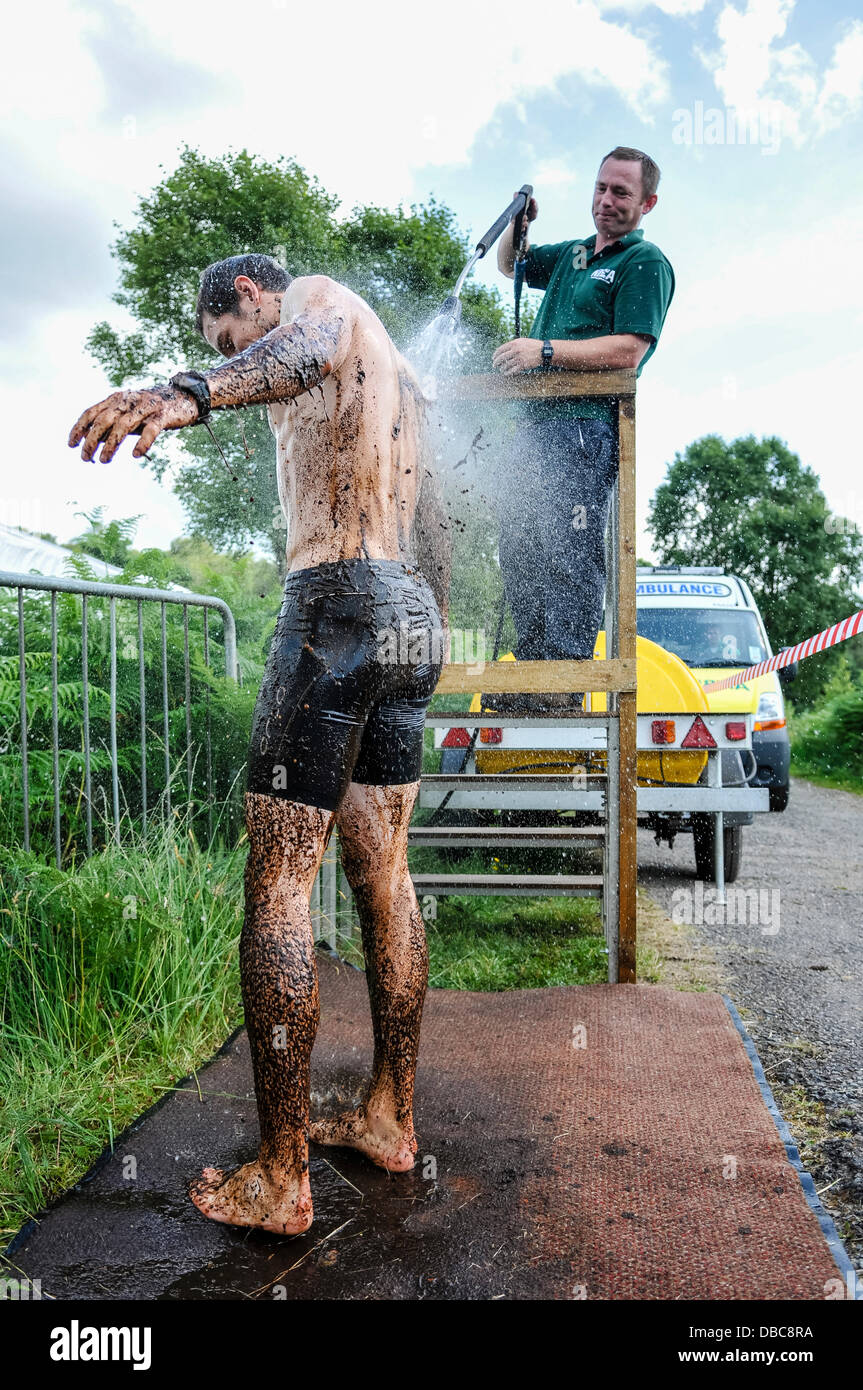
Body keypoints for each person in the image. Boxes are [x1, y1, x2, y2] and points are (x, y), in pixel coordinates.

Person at [68, 255, 451, 1235]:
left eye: (223, 335)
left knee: (281, 883)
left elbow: (303, 344)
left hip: (335, 603)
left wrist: (188, 390)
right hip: (409, 616)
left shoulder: (320, 303)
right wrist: (423, 636)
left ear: (246, 295)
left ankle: (281, 1178)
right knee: (388, 874)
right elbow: (433, 519)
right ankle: (389, 1118)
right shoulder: (403, 378)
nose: (232, 353)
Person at [489, 147, 675, 711]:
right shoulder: (572, 255)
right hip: (532, 428)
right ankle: (533, 678)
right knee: (520, 543)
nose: (607, 201)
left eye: (621, 192)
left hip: (585, 429)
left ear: (647, 202)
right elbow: (509, 265)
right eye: (601, 188)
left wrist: (544, 350)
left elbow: (629, 348)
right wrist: (518, 222)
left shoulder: (645, 263)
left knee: (567, 546)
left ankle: (563, 685)